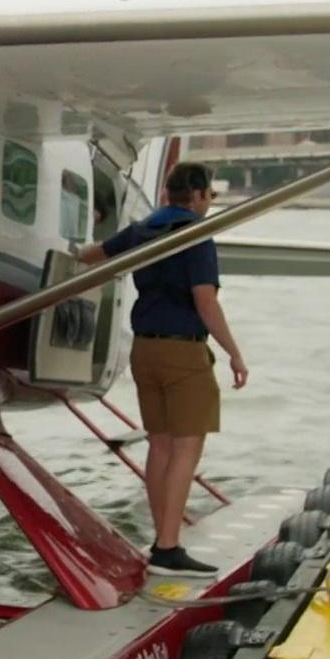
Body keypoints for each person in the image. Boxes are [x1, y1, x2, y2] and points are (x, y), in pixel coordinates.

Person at [79, 161, 248, 575]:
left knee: (160, 444)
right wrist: (234, 353)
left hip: (145, 350)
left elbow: (89, 257)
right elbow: (205, 302)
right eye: (209, 195)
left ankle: (162, 539)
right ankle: (169, 547)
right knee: (187, 447)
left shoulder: (144, 229)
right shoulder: (197, 235)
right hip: (183, 353)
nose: (209, 204)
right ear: (198, 196)